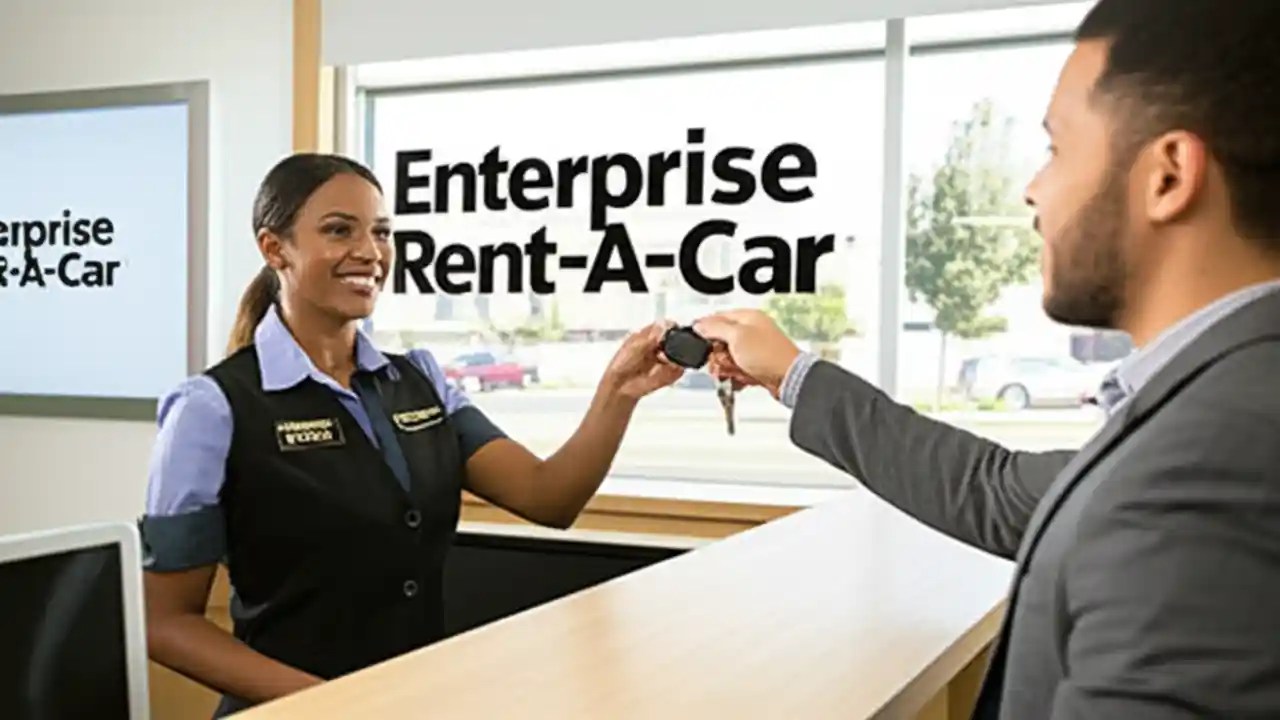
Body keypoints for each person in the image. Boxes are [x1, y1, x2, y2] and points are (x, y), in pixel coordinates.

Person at [696, 1, 1280, 718]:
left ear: (1167, 176)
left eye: (1058, 148)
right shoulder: (1215, 401)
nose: (1033, 188)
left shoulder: (1215, 463)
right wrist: (791, 373)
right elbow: (996, 489)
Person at [138, 152, 683, 717]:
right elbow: (164, 622)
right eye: (338, 230)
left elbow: (549, 496)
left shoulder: (420, 380)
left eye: (381, 232)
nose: (370, 252)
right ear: (275, 249)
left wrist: (618, 390)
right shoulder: (210, 409)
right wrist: (336, 706)